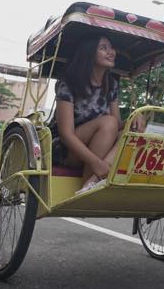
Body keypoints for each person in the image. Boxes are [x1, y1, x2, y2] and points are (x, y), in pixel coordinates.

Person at [50, 35, 122, 195]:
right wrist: (96, 163)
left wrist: (137, 119)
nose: (111, 52)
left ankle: (91, 182)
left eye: (111, 47)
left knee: (130, 131)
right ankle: (92, 179)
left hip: (100, 142)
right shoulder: (69, 82)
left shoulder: (112, 84)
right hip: (67, 148)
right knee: (108, 122)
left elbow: (118, 126)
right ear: (89, 53)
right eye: (103, 48)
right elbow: (66, 135)